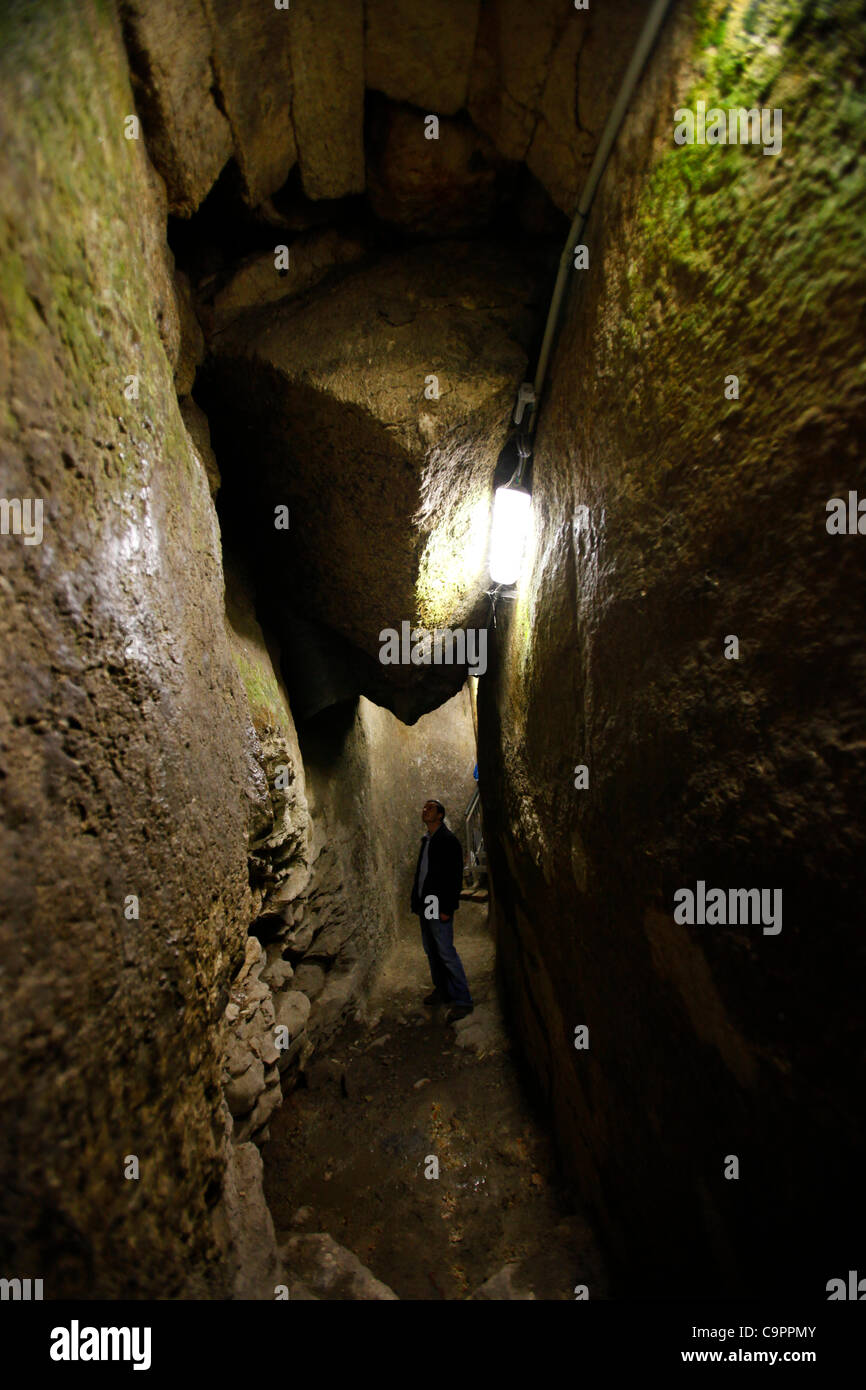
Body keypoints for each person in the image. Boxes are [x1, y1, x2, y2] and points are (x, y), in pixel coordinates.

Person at [410, 799, 474, 1022]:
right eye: (424, 807)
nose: (425, 810)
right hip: (426, 904)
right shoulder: (427, 840)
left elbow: (454, 878)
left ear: (440, 815)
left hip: (438, 905)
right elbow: (423, 875)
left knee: (445, 951)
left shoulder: (448, 841)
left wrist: (448, 908)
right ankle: (443, 990)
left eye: (430, 808)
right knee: (432, 949)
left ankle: (463, 1000)